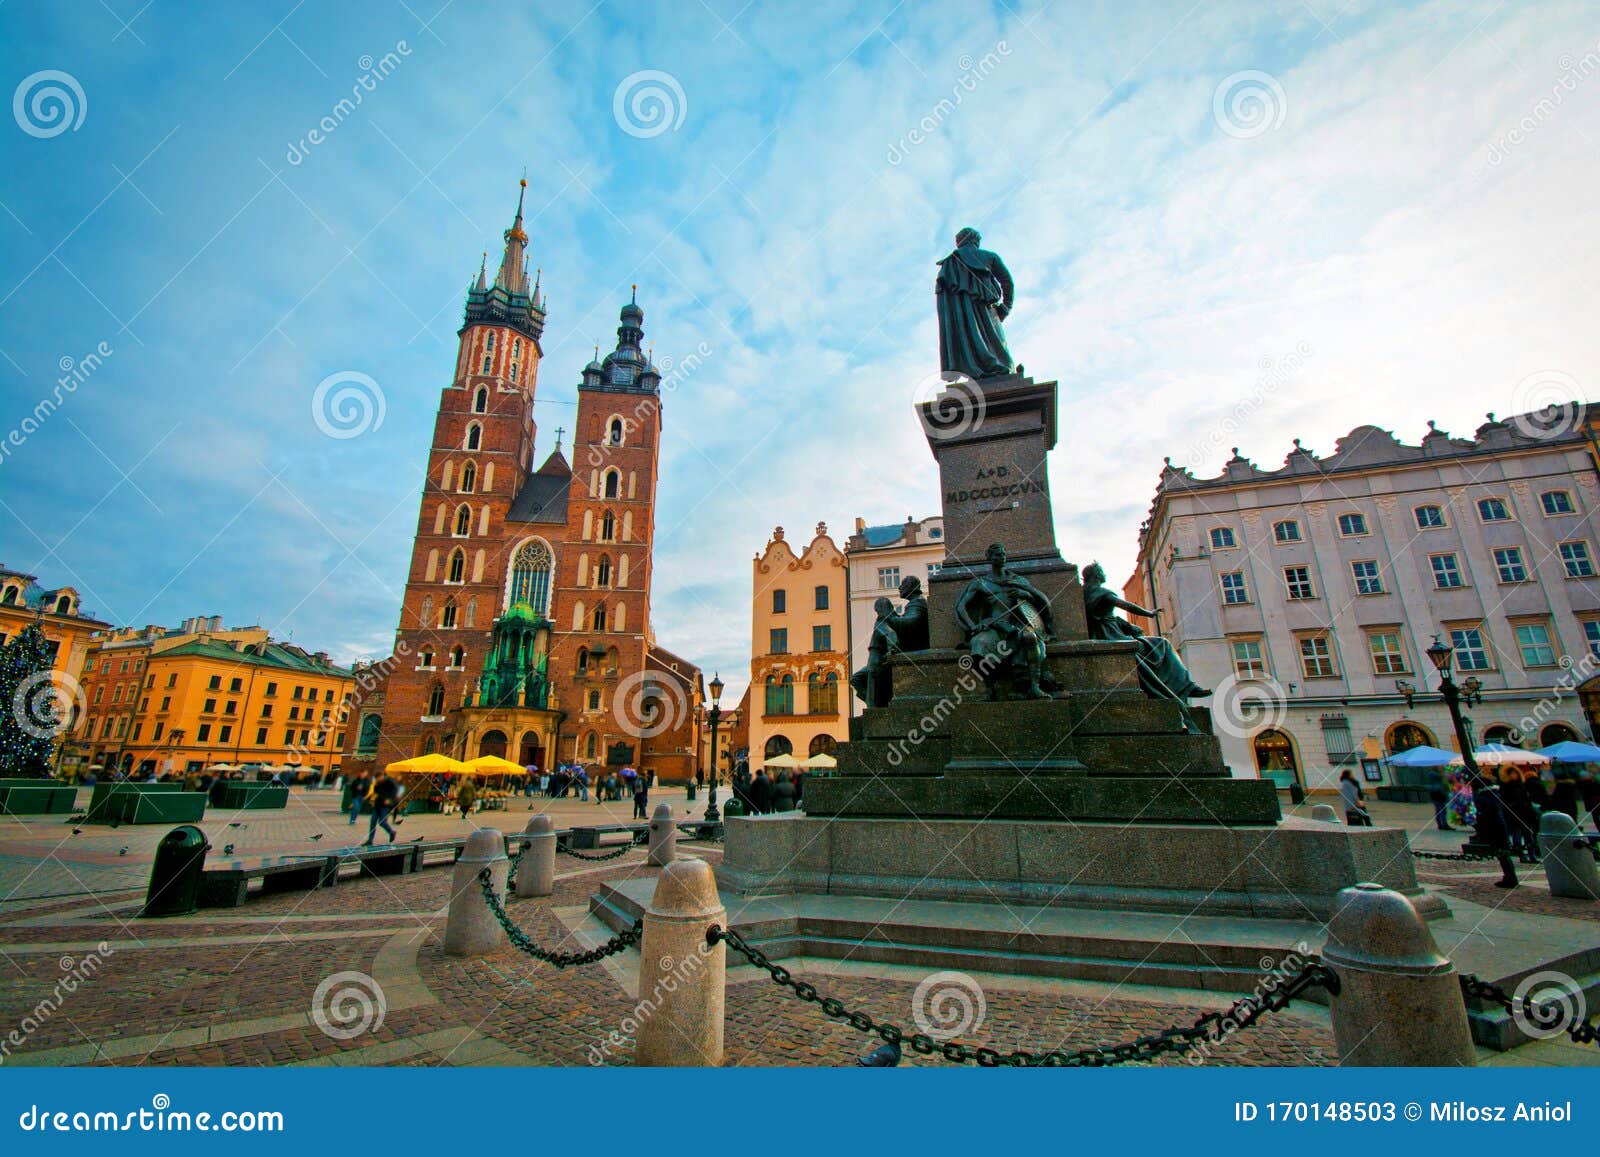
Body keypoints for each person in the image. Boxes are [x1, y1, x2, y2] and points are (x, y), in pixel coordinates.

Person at [365, 773, 401, 845]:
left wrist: (389, 799)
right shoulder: (378, 783)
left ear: (382, 776)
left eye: (378, 778)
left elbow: (395, 791)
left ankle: (391, 832)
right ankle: (370, 840)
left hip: (385, 806)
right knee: (373, 821)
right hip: (378, 804)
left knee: (382, 821)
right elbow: (376, 791)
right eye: (377, 778)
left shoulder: (390, 781)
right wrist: (376, 784)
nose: (378, 779)